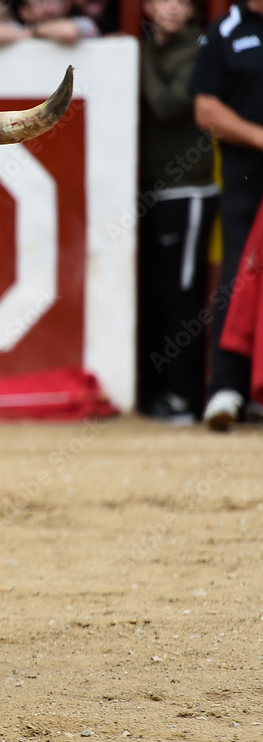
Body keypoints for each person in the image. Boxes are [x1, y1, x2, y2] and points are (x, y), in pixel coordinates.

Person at [136, 0, 218, 423]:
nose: (171, 7)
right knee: (162, 294)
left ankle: (184, 398)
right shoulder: (162, 47)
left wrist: (136, 54)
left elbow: (168, 104)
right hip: (161, 191)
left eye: (181, 1)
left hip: (189, 190)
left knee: (182, 296)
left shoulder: (200, 46)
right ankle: (165, 393)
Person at [191, 0, 263, 430]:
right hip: (245, 180)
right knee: (238, 276)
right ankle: (227, 387)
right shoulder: (224, 32)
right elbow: (206, 110)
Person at [0, 0, 100, 47]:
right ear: (24, 11)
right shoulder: (16, 28)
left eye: (56, 1)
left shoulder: (84, 23)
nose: (50, 8)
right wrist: (32, 33)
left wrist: (33, 32)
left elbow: (69, 33)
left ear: (66, 6)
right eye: (41, 2)